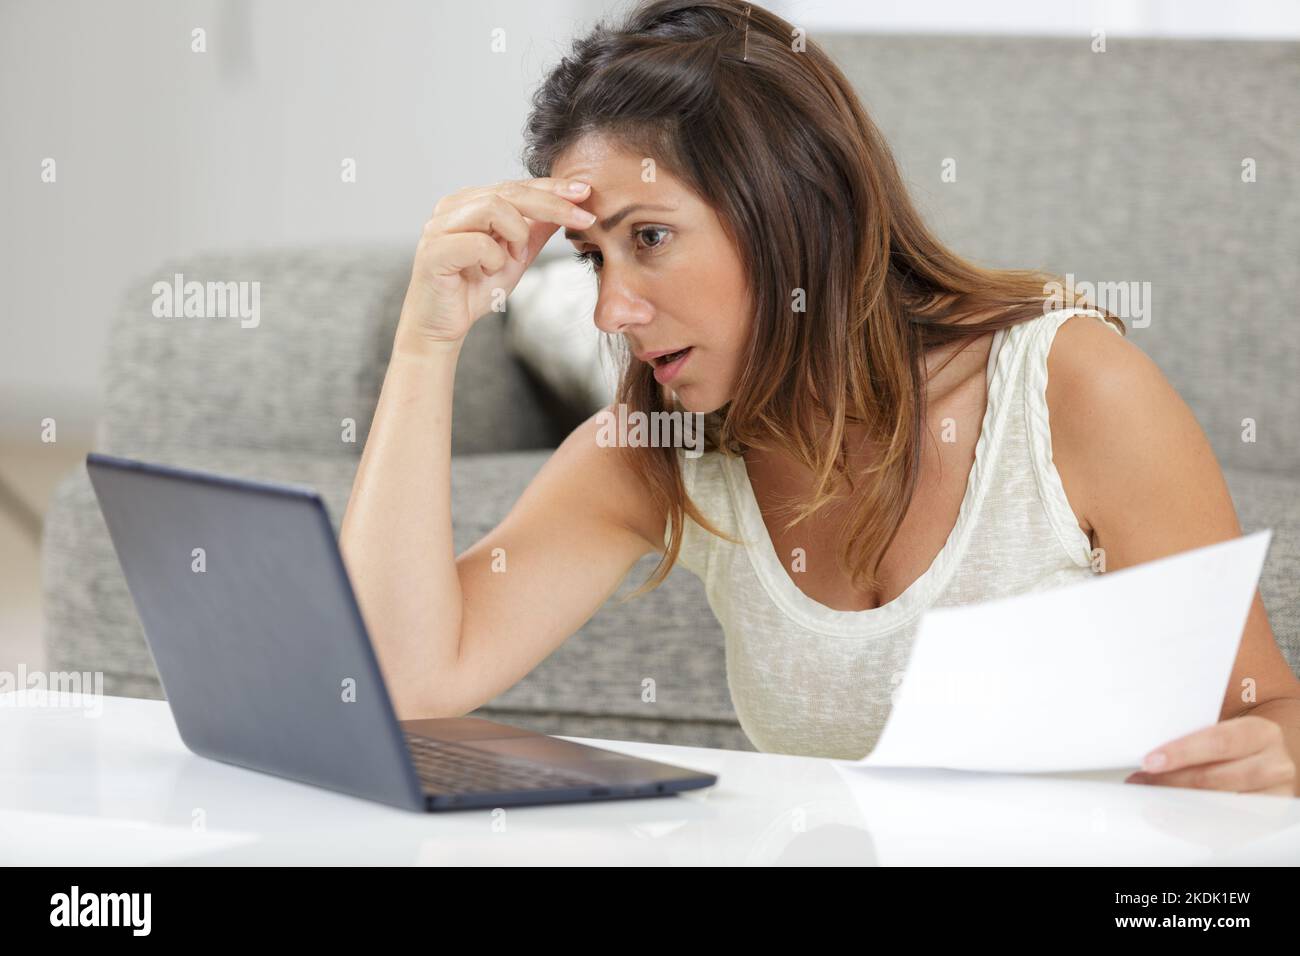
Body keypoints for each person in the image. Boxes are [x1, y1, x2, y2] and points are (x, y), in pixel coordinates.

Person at [339, 0, 1300, 795]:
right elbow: (402, 682)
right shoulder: (653, 446)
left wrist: (1278, 762)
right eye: (593, 258)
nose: (611, 310)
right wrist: (426, 344)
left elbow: (1268, 712)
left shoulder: (1070, 390)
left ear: (793, 205)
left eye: (652, 238)